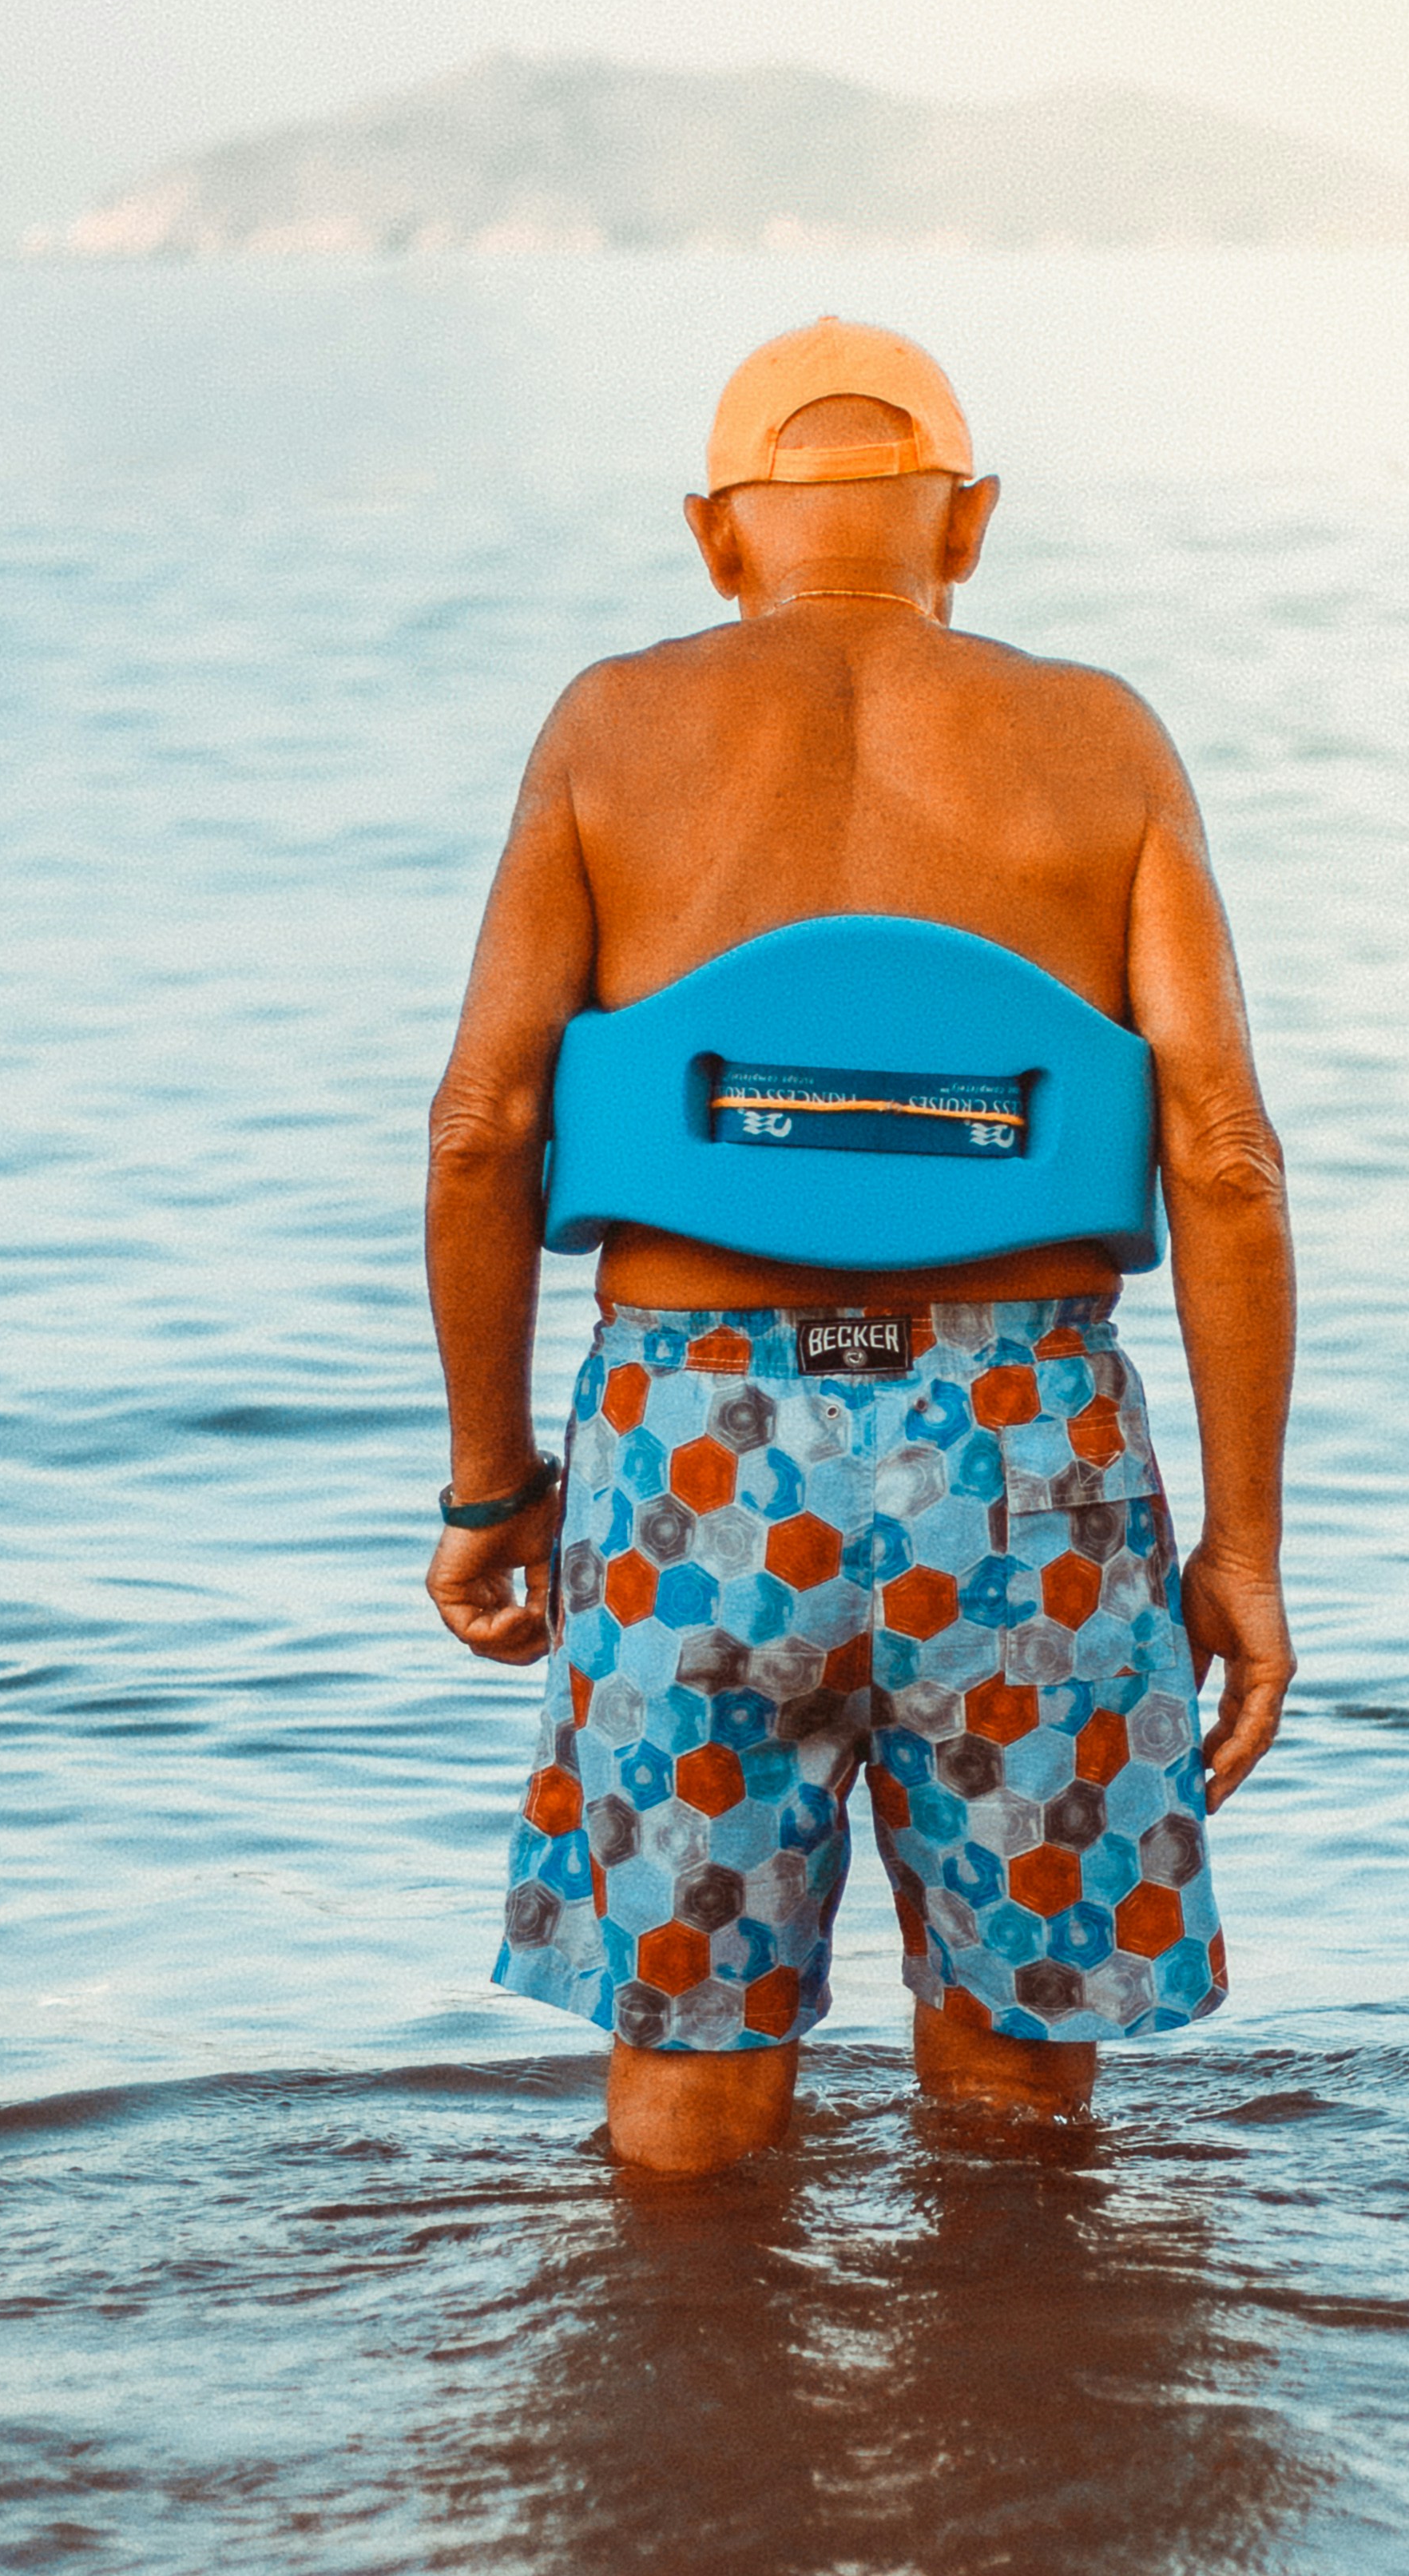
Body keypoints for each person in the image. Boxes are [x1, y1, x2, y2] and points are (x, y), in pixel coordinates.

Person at [424, 317, 1295, 2176]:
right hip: (1022, 1456)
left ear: (713, 535)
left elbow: (480, 1129)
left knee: (685, 2092)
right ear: (966, 524)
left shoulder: (606, 725)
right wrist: (1243, 1546)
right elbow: (1220, 1156)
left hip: (693, 1465)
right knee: (1018, 2098)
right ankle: (1026, 2453)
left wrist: (492, 1485)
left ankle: (682, 2457)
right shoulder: (1101, 736)